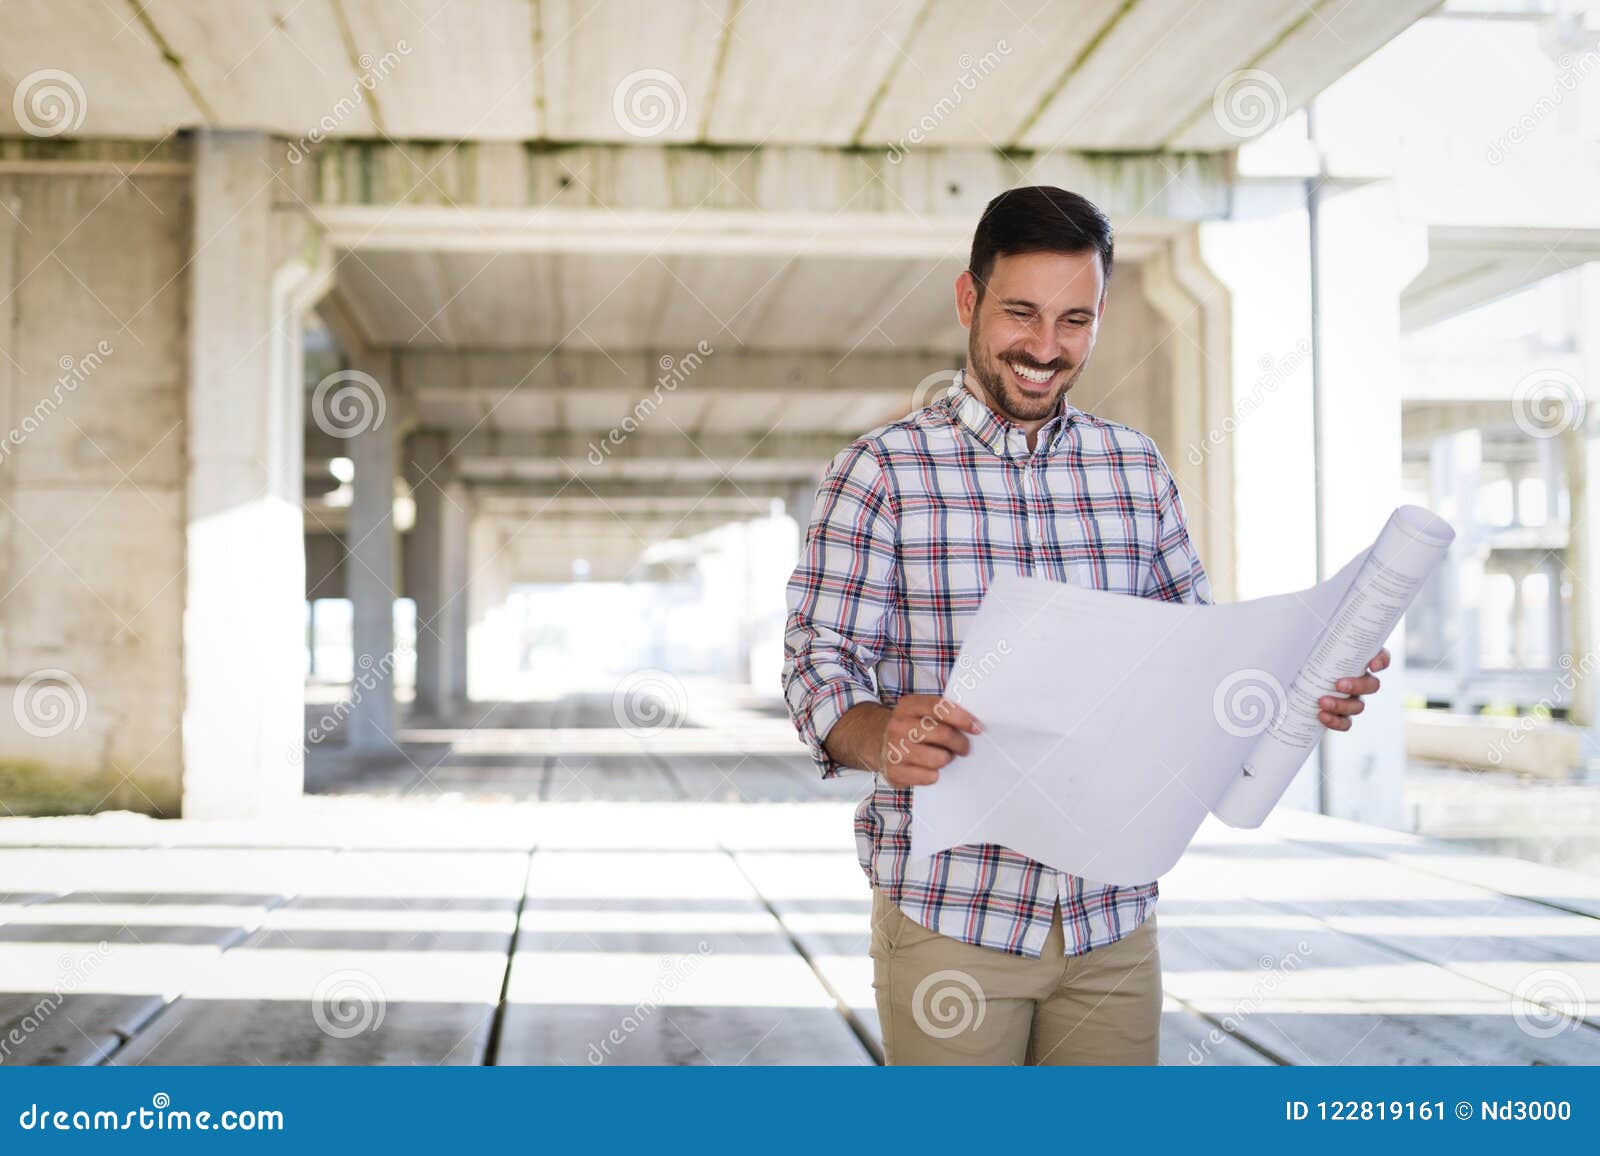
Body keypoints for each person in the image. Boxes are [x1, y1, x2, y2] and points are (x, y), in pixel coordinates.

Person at [780, 185, 1389, 1066]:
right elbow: (817, 661)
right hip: (953, 916)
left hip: (1113, 920)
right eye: (1021, 313)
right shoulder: (881, 473)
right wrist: (880, 733)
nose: (1045, 347)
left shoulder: (1135, 470)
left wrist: (1298, 689)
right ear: (968, 299)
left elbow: (1199, 665)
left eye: (1076, 319)